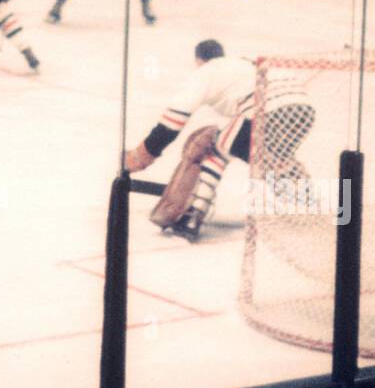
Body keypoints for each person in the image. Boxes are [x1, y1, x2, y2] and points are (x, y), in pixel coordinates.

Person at [123, 40, 314, 241]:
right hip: (304, 110)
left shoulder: (205, 72)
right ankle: (307, 203)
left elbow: (173, 122)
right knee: (265, 157)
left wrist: (143, 155)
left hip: (266, 109)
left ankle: (193, 216)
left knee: (211, 147)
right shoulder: (241, 62)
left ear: (199, 60)